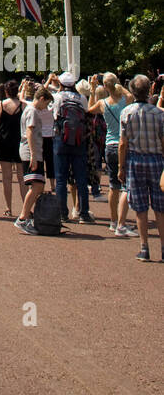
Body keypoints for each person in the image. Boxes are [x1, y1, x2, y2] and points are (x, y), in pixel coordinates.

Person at [118, 75, 164, 262]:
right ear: (149, 91)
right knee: (160, 207)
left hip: (135, 160)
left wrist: (121, 167)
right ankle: (163, 247)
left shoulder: (127, 112)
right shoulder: (160, 114)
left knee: (140, 207)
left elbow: (123, 143)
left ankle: (144, 247)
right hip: (156, 160)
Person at [88, 73, 136, 235]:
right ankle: (121, 223)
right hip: (125, 144)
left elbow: (90, 109)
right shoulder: (124, 101)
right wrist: (118, 85)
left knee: (113, 186)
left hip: (110, 146)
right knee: (126, 186)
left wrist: (94, 89)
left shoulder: (102, 103)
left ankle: (113, 221)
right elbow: (130, 94)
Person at [50, 72, 93, 226]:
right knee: (81, 178)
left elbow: (53, 115)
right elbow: (87, 114)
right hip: (79, 140)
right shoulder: (81, 98)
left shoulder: (58, 97)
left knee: (60, 178)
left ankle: (62, 213)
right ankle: (84, 213)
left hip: (61, 138)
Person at [15, 83, 52, 233]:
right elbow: (30, 133)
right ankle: (23, 217)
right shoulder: (33, 111)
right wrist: (34, 155)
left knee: (38, 185)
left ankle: (27, 215)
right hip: (31, 152)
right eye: (47, 103)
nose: (46, 107)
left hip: (33, 152)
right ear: (41, 99)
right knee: (37, 185)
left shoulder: (30, 109)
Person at [0, 80, 25, 218]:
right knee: (22, 177)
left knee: (6, 177)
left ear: (6, 92)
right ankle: (25, 207)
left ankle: (8, 208)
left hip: (4, 142)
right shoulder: (23, 105)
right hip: (19, 143)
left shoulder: (0, 105)